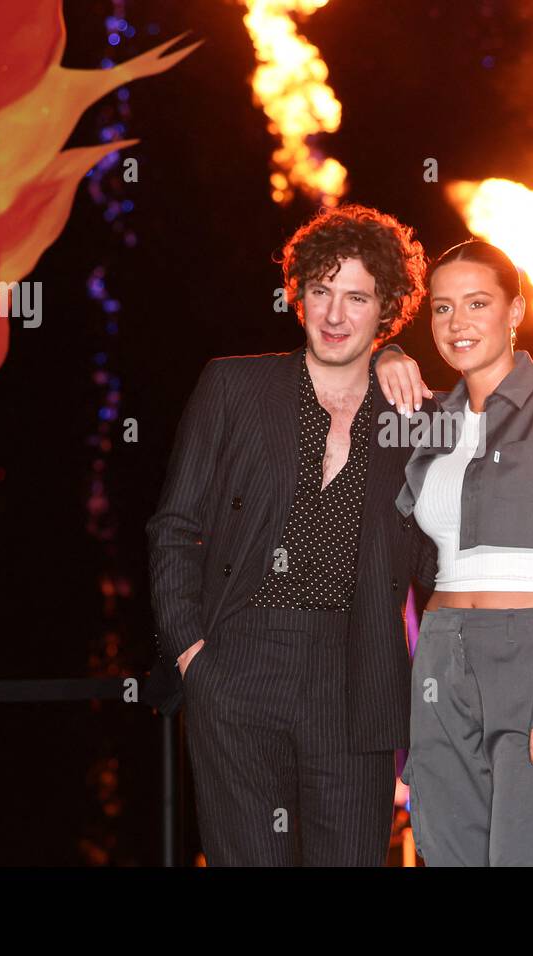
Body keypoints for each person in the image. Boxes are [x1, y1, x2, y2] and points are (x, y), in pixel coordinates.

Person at [143, 204, 438, 865]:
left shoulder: (417, 416)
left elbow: (441, 557)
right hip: (240, 670)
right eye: (321, 291)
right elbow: (175, 527)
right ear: (297, 293)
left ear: (386, 307)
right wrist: (194, 658)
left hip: (356, 683)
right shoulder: (235, 387)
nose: (334, 315)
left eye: (356, 297)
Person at [375, 239, 533, 866]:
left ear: (515, 310)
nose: (457, 324)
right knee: (448, 849)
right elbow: (341, 405)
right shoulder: (429, 423)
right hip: (442, 655)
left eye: (477, 304)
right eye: (443, 309)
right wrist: (386, 355)